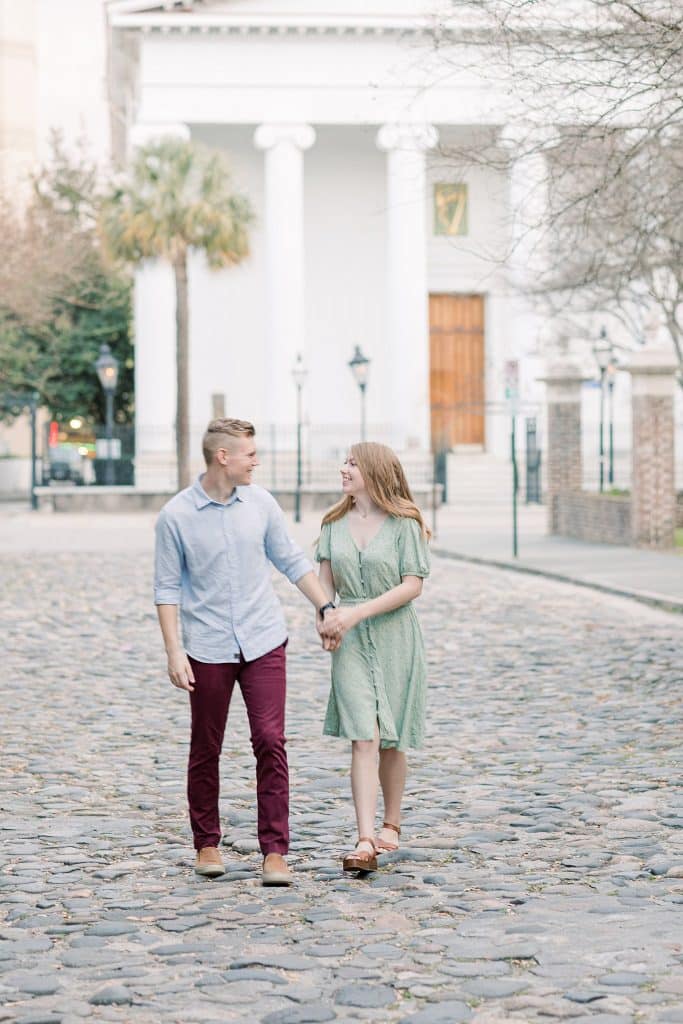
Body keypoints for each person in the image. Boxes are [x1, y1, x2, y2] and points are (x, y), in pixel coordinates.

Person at [154, 418, 336, 885]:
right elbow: (167, 589)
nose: (257, 461)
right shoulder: (176, 516)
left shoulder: (261, 503)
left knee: (271, 741)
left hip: (263, 639)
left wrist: (326, 606)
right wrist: (175, 652)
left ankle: (275, 851)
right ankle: (207, 844)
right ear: (223, 457)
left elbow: (292, 560)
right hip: (208, 647)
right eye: (250, 454)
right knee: (206, 746)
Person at [315, 442, 430, 872]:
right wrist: (325, 618)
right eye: (344, 461)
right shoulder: (332, 523)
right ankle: (363, 840)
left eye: (352, 463)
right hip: (349, 641)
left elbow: (412, 585)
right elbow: (324, 585)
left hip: (395, 635)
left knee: (392, 737)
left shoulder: (405, 524)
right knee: (364, 735)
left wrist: (356, 612)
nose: (343, 469)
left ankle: (391, 824)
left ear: (375, 472)